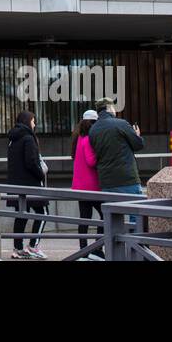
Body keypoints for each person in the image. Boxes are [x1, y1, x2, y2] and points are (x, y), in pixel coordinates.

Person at [7, 110, 48, 259]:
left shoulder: (13, 138)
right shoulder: (28, 139)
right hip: (31, 183)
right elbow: (31, 162)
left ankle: (17, 248)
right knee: (43, 214)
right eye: (33, 121)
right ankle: (33, 246)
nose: (35, 124)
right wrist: (40, 174)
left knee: (21, 215)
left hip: (16, 184)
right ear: (27, 122)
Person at [88, 99, 145, 199]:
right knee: (136, 212)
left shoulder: (92, 130)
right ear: (109, 108)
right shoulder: (121, 124)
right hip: (127, 179)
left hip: (106, 181)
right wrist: (137, 135)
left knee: (113, 213)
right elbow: (138, 145)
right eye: (113, 107)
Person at [70, 109, 103, 260]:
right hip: (92, 186)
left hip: (79, 185)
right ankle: (97, 248)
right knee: (105, 215)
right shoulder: (89, 138)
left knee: (84, 218)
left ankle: (83, 250)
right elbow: (91, 161)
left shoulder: (77, 138)